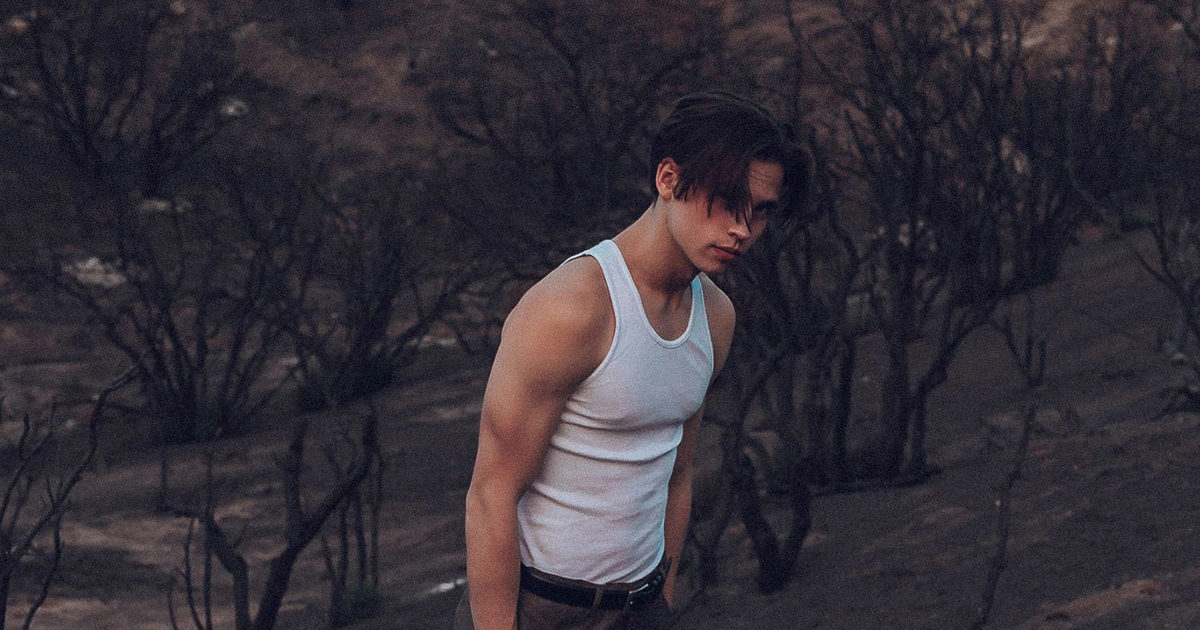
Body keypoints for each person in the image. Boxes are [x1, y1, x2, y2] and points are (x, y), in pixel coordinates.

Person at [456, 91, 809, 630]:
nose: (743, 227)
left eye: (761, 210)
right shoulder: (572, 306)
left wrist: (659, 600)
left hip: (640, 609)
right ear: (668, 179)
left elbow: (677, 475)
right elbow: (491, 494)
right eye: (728, 199)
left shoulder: (716, 317)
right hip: (541, 610)